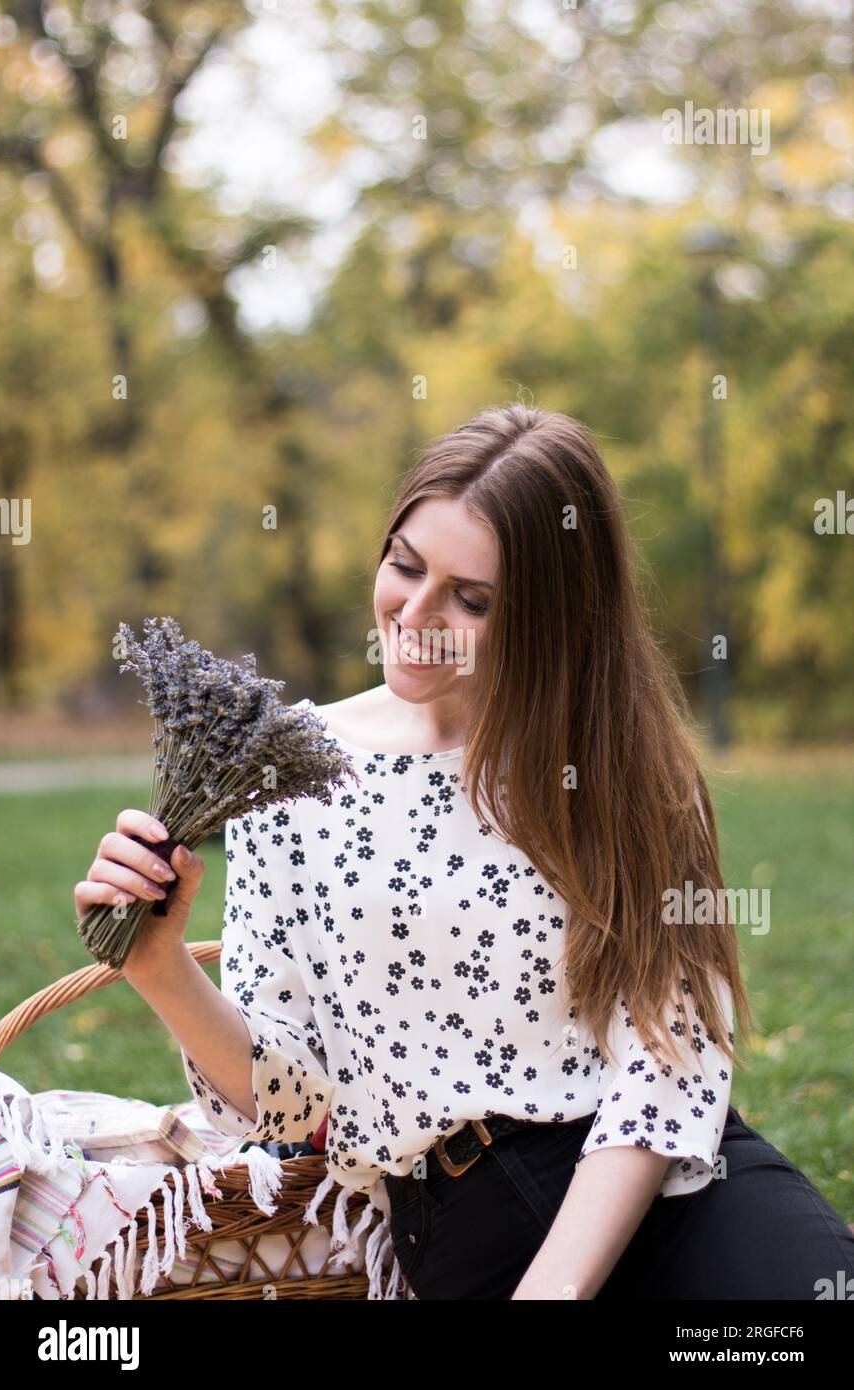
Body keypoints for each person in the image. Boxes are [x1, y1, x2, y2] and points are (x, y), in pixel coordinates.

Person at [75, 402, 854, 1300]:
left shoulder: (617, 757)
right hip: (465, 1211)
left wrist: (557, 1289)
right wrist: (163, 969)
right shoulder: (284, 770)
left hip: (666, 1175)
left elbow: (669, 1047)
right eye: (405, 565)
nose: (415, 611)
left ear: (551, 614)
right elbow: (295, 1108)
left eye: (471, 599)